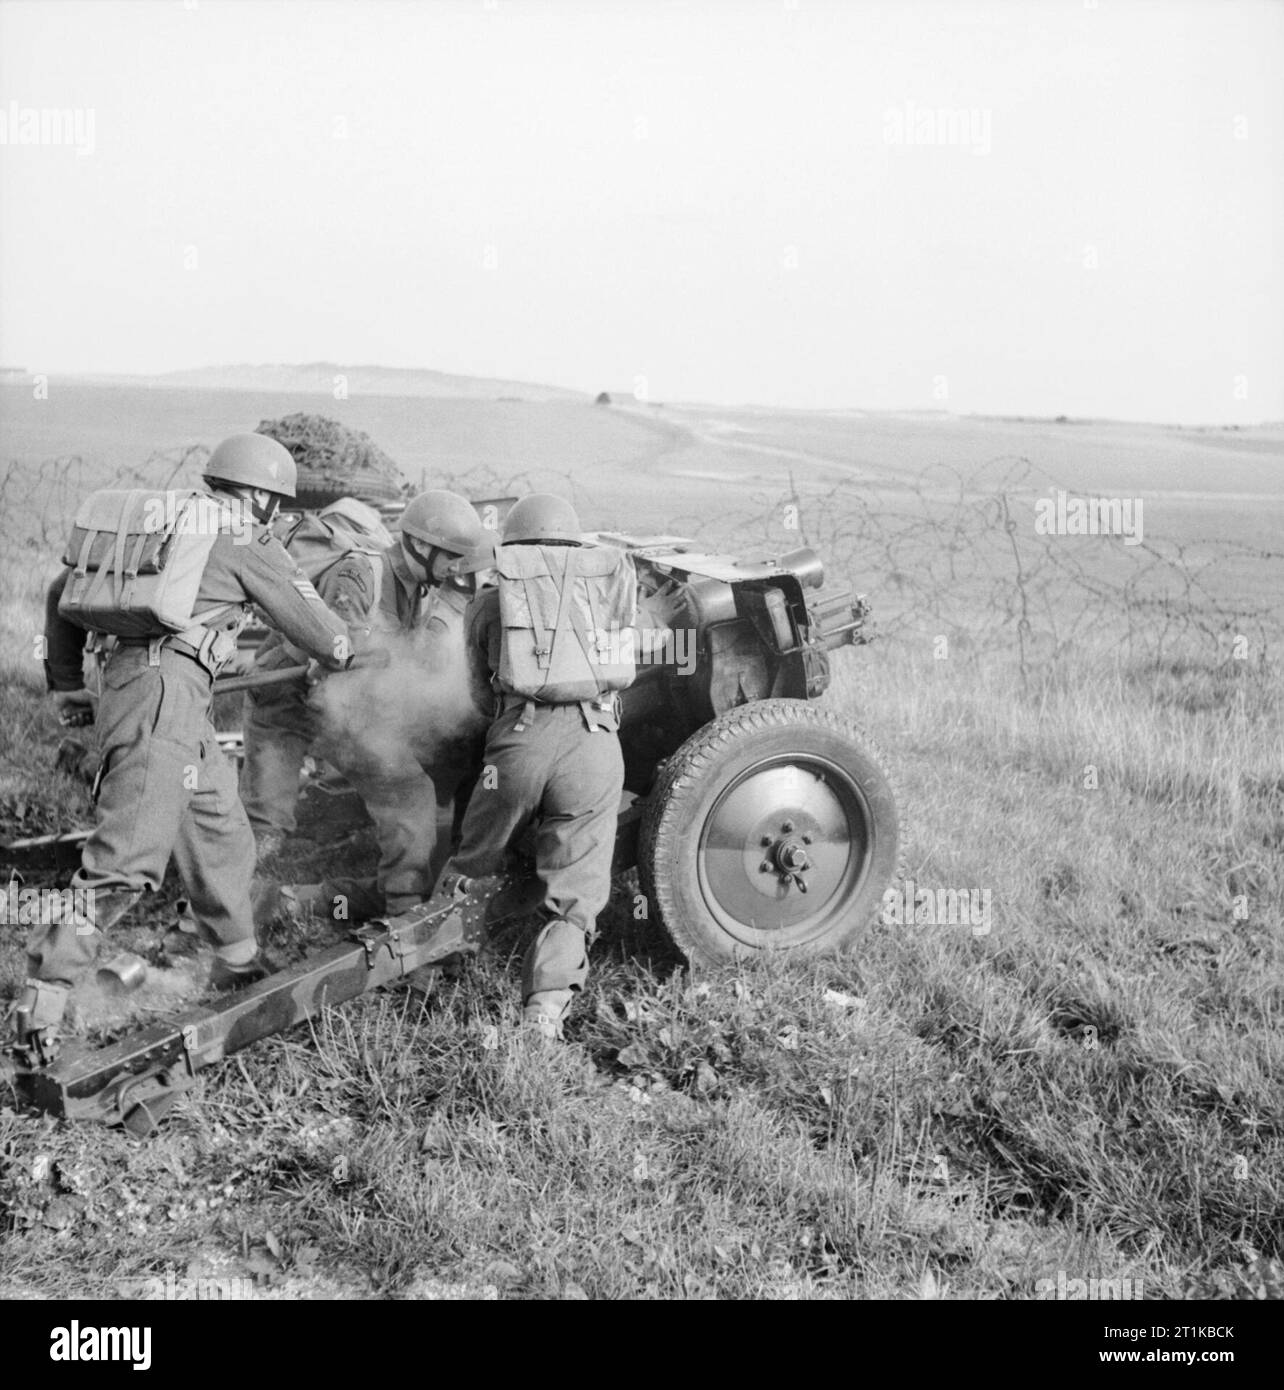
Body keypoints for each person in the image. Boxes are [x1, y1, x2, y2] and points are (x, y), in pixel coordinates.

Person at [11, 433, 354, 1069]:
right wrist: (348, 651)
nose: (274, 514)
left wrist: (64, 684)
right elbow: (322, 634)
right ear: (256, 495)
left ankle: (236, 963)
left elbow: (63, 591)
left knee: (222, 830)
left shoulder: (164, 517)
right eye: (274, 503)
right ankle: (44, 994)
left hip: (155, 690)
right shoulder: (243, 536)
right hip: (166, 697)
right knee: (128, 859)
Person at [431, 493, 637, 1040]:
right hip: (597, 747)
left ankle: (437, 963)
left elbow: (479, 694)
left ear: (514, 547)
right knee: (575, 891)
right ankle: (543, 1013)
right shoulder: (609, 592)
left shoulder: (490, 602)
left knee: (475, 859)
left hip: (517, 747)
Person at [273, 490, 496, 922]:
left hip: (369, 713)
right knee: (409, 799)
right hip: (319, 714)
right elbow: (341, 661)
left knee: (442, 773)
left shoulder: (425, 586)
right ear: (421, 545)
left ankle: (372, 897)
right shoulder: (359, 576)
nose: (456, 569)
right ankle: (405, 927)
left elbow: (412, 662)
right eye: (451, 557)